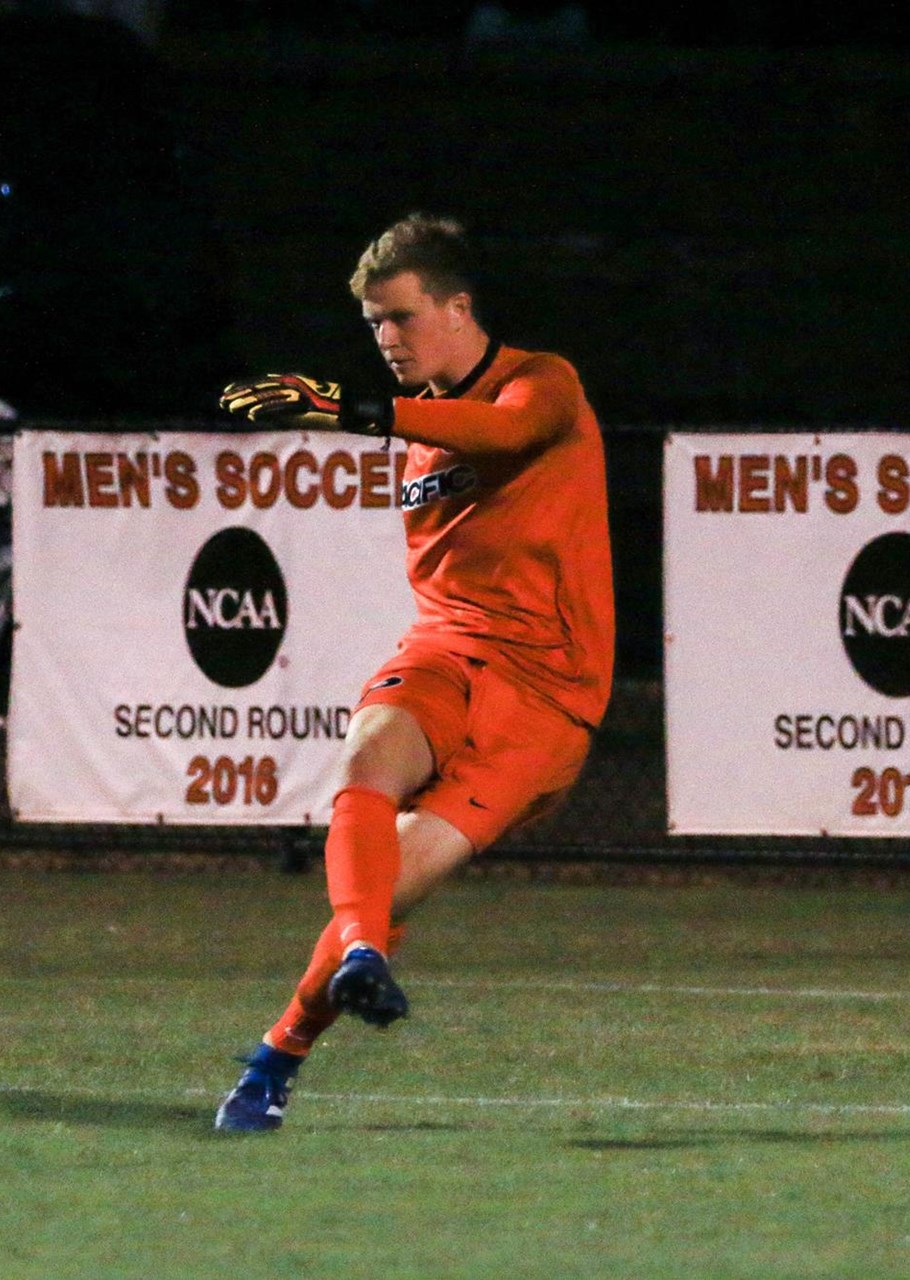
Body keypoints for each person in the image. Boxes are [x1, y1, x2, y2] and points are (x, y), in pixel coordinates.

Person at [212, 213, 615, 1132]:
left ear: (458, 306)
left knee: (389, 889)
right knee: (367, 762)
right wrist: (371, 415)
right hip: (446, 648)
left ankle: (279, 1054)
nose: (386, 339)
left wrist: (351, 408)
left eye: (398, 317)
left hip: (547, 700)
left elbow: (503, 435)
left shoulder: (542, 383)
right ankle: (358, 952)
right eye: (371, 326)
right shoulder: (422, 432)